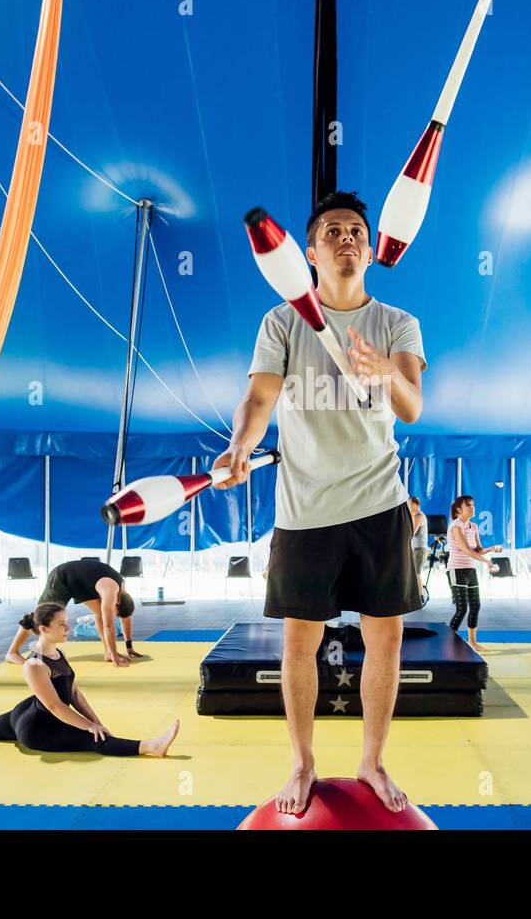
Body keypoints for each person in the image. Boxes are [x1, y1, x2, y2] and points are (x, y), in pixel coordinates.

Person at [213, 190, 427, 815]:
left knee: (385, 640)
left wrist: (384, 370)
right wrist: (237, 447)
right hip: (304, 509)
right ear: (307, 252)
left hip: (379, 502)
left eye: (355, 230)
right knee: (298, 644)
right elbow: (258, 402)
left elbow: (411, 406)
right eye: (330, 231)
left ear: (370, 246)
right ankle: (303, 764)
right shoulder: (281, 322)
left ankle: (372, 761)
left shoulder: (397, 324)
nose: (346, 238)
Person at [0, 602, 179, 757]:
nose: (68, 628)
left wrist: (96, 719)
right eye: (62, 625)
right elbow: (56, 707)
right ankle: (150, 746)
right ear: (43, 628)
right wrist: (90, 727)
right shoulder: (34, 664)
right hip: (38, 727)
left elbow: (73, 692)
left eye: (67, 623)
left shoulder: (57, 651)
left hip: (31, 710)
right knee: (94, 740)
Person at [6, 558, 141, 668]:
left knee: (101, 613)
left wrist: (129, 646)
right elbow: (108, 626)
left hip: (82, 583)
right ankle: (13, 652)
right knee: (39, 617)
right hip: (62, 577)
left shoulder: (123, 592)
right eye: (115, 612)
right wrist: (116, 656)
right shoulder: (110, 591)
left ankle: (107, 652)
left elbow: (126, 616)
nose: (114, 615)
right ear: (116, 602)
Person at [445, 494, 502, 652]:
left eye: (473, 505)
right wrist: (487, 562)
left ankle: (473, 642)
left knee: (475, 606)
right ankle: (450, 642)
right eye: (468, 505)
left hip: (470, 571)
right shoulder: (456, 527)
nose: (472, 508)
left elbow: (478, 550)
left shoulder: (474, 527)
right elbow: (466, 550)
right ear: (459, 509)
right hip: (456, 570)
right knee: (462, 609)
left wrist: (491, 549)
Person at [408, 496, 428, 597]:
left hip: (419, 549)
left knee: (417, 573)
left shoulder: (418, 516)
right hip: (416, 549)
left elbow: (411, 532)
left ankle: (420, 596)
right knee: (415, 574)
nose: (408, 506)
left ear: (415, 505)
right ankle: (418, 595)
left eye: (409, 504)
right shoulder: (415, 516)